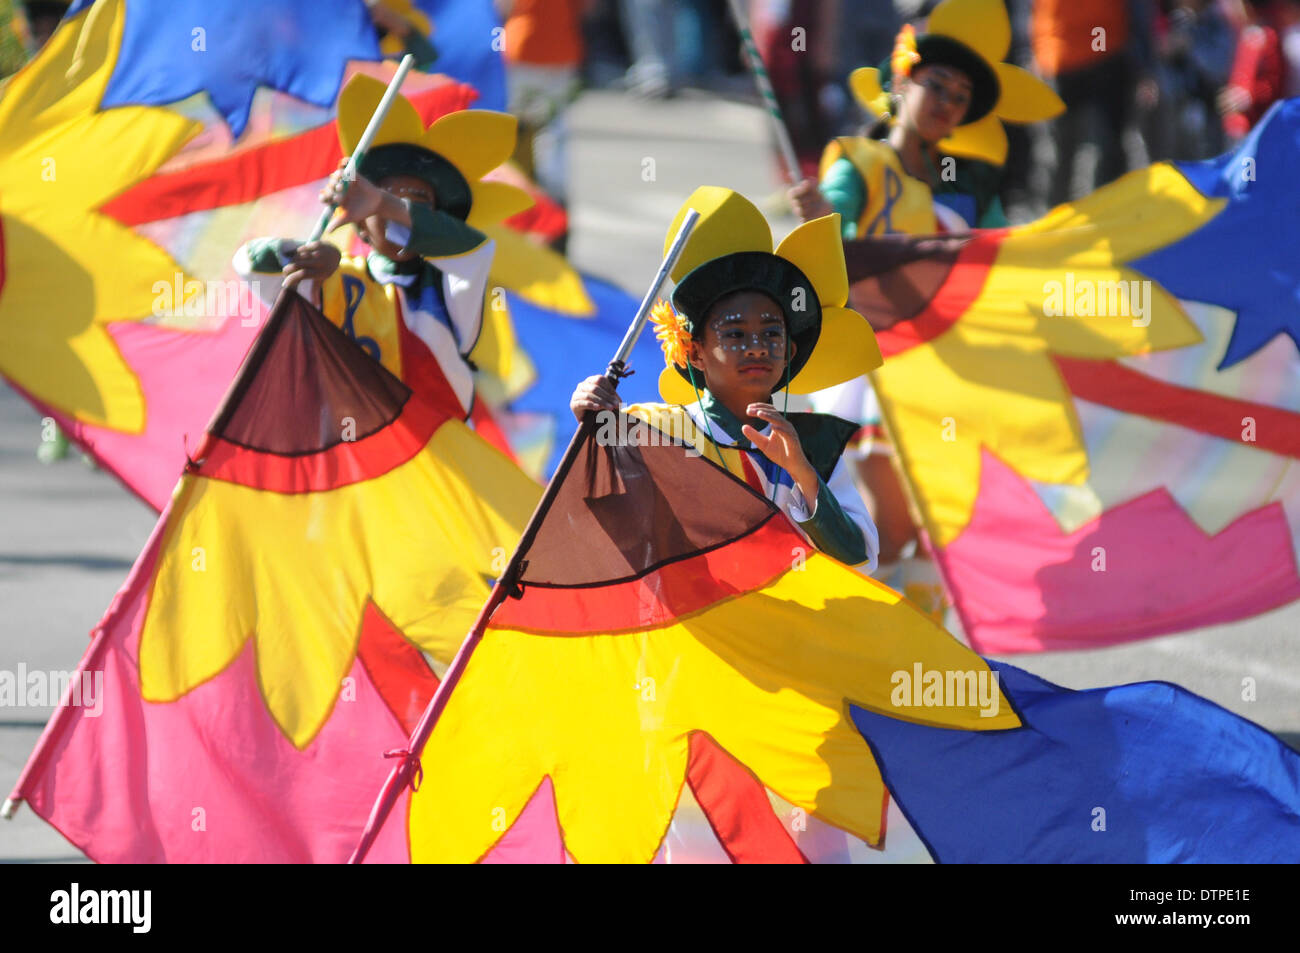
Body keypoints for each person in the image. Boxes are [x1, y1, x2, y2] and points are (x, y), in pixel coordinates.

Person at [785, 0, 1061, 619]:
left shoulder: (971, 187)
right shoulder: (856, 162)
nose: (946, 102)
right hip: (872, 372)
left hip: (946, 374)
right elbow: (836, 234)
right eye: (937, 84)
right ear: (901, 81)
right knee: (884, 526)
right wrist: (817, 220)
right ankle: (874, 661)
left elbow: (996, 268)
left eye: (960, 97)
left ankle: (913, 673)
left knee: (928, 538)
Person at [570, 186, 880, 571]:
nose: (756, 347)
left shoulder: (816, 448)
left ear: (790, 352)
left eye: (771, 333)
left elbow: (861, 560)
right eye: (735, 334)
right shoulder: (657, 431)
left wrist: (802, 472)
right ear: (695, 352)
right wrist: (594, 423)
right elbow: (609, 531)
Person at [234, 72, 532, 416]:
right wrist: (311, 257)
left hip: (434, 457)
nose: (397, 215)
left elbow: (473, 247)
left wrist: (382, 202)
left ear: (436, 222)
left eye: (418, 203)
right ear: (359, 226)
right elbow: (250, 263)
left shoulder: (452, 289)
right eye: (385, 200)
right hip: (356, 457)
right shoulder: (331, 280)